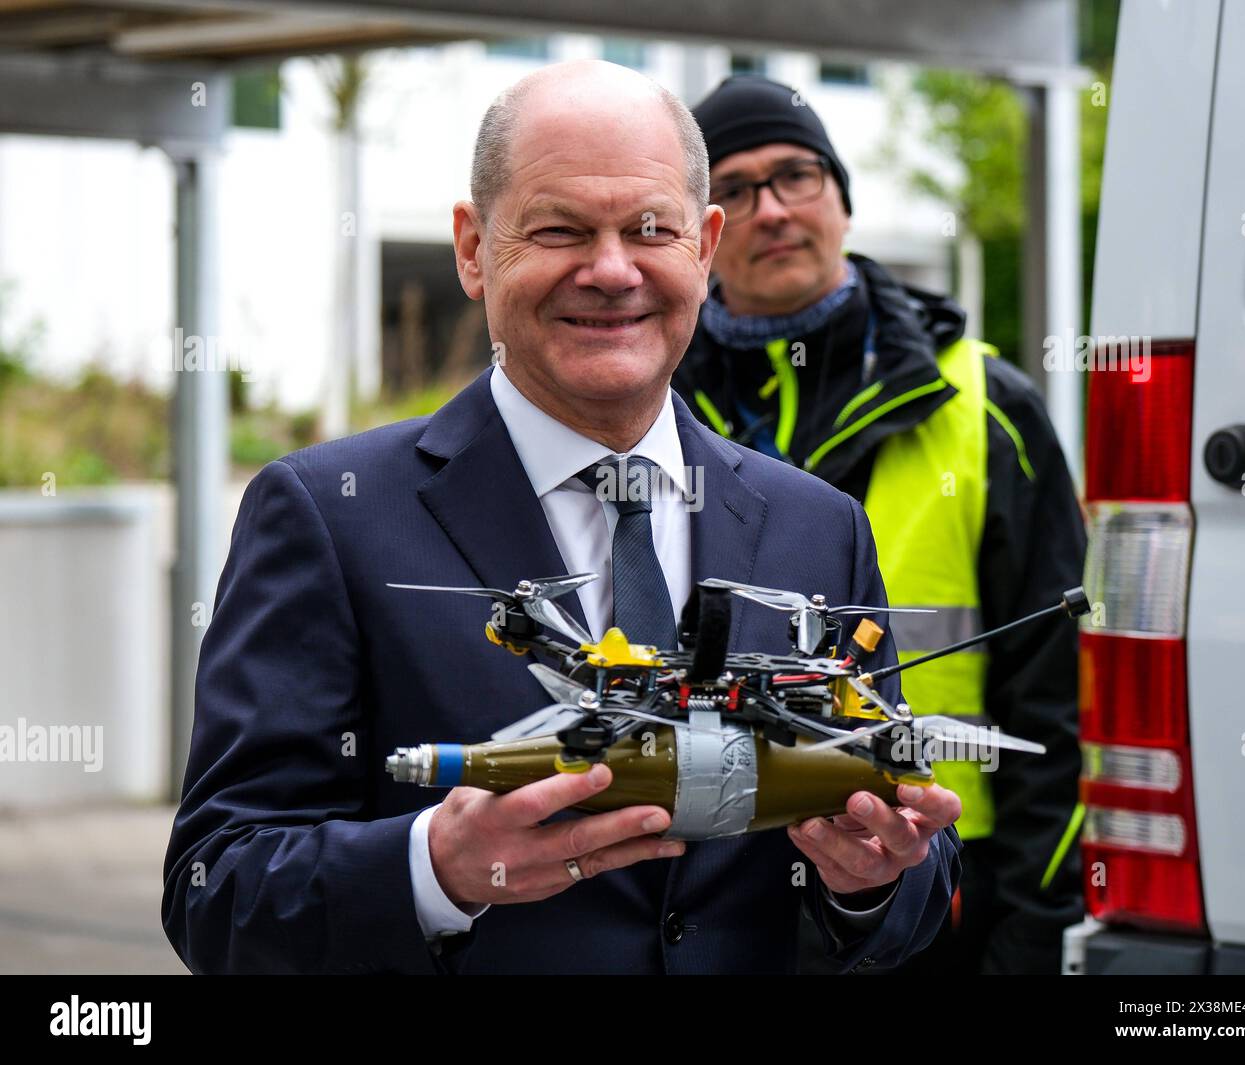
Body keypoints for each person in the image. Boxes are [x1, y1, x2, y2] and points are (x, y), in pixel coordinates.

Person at [161, 60, 961, 975]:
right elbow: (215, 892)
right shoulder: (329, 517)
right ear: (472, 249)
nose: (612, 270)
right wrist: (436, 868)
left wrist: (872, 878)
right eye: (559, 229)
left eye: (650, 230)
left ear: (704, 247)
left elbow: (910, 895)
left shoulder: (819, 527)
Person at [673, 75, 1086, 975]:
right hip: (701, 902)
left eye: (797, 175)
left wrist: (1029, 936)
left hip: (932, 901)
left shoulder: (986, 410)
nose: (772, 209)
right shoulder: (642, 413)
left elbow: (1059, 705)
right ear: (701, 232)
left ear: (842, 201)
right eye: (734, 191)